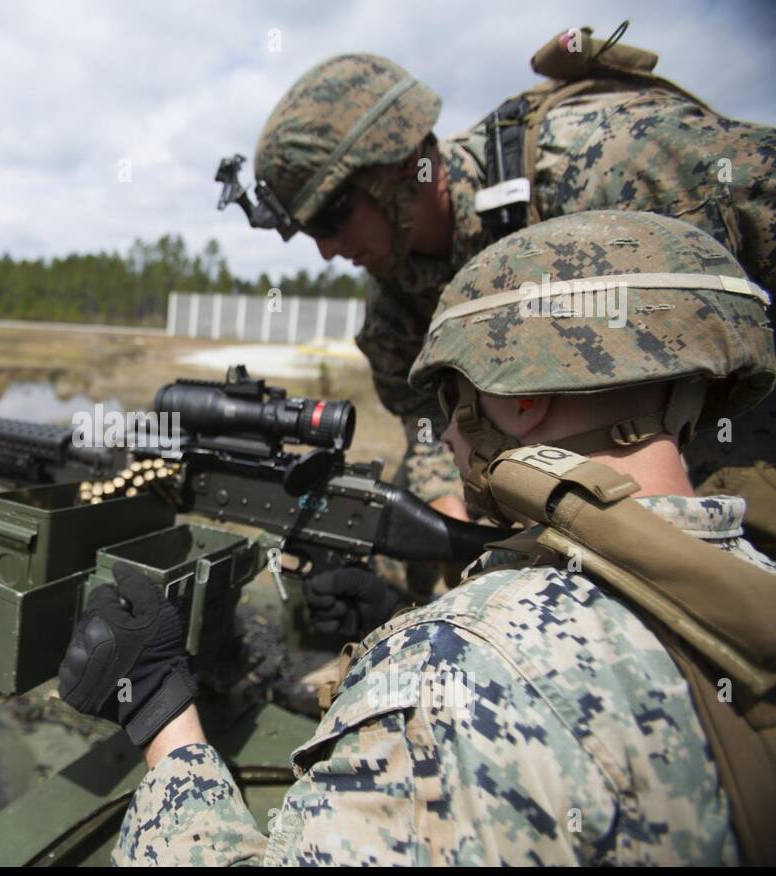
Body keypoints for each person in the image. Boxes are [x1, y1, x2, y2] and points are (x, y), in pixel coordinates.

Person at [59, 210, 776, 865]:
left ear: (519, 395)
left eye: (452, 394)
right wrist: (397, 628)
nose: (451, 429)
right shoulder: (743, 582)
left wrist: (164, 722)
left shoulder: (451, 680)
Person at [220, 26, 776, 568]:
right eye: (306, 230)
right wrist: (443, 500)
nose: (326, 251)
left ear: (394, 165)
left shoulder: (607, 161)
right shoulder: (396, 306)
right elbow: (421, 420)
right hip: (593, 528)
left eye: (330, 216)